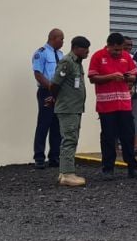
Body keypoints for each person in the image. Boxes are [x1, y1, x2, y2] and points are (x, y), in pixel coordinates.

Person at [87, 33, 137, 180]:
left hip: (124, 104)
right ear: (108, 45)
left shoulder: (126, 57)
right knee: (108, 137)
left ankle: (132, 168)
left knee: (128, 136)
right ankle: (108, 168)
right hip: (106, 105)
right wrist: (111, 77)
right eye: (115, 50)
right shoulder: (97, 56)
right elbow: (92, 78)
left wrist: (127, 77)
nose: (119, 53)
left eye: (120, 50)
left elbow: (134, 76)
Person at [51, 36, 91, 187]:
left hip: (74, 108)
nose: (88, 52)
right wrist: (58, 99)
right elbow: (54, 84)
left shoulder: (77, 63)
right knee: (69, 139)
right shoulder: (67, 62)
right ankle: (68, 174)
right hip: (68, 108)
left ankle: (63, 172)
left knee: (70, 138)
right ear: (76, 48)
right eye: (85, 48)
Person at [30, 29, 64, 170]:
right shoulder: (41, 53)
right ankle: (39, 157)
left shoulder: (61, 54)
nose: (62, 42)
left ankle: (54, 157)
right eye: (61, 39)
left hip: (59, 93)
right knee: (44, 124)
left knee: (57, 125)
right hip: (46, 91)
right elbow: (38, 74)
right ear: (53, 38)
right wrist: (50, 88)